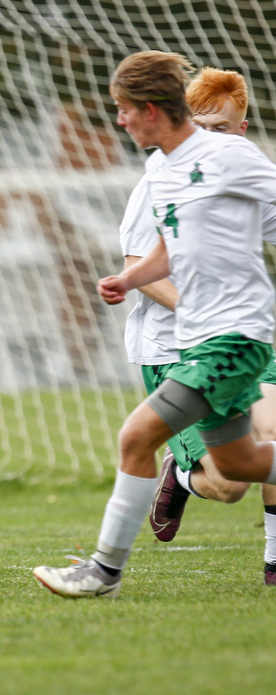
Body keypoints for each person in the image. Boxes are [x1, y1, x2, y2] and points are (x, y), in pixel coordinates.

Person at [33, 50, 276, 598]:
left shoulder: (228, 154)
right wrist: (130, 277)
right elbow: (171, 244)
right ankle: (107, 568)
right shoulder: (160, 168)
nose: (119, 121)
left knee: (135, 437)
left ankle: (103, 571)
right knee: (239, 465)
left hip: (233, 338)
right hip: (198, 341)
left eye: (123, 110)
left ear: (149, 109)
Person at [136, 67, 276, 585]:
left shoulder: (246, 171)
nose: (213, 139)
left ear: (242, 130)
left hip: (244, 340)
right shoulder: (158, 175)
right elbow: (140, 268)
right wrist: (202, 313)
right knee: (228, 484)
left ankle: (275, 562)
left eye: (224, 129)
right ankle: (182, 475)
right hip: (177, 346)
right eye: (203, 127)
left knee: (274, 431)